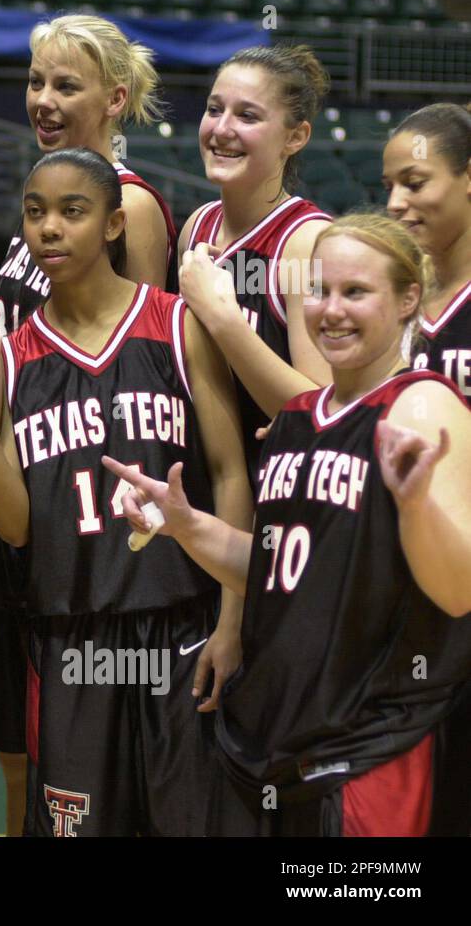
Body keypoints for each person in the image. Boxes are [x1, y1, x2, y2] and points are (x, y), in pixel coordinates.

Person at [109, 213, 471, 836]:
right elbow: (275, 572)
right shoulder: (298, 416)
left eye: (355, 292)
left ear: (408, 298)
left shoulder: (423, 403)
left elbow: (460, 591)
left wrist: (419, 509)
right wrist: (186, 525)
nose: (331, 310)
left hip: (369, 746)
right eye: (318, 291)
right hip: (274, 742)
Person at [0, 148, 250, 836]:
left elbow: (228, 472)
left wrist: (232, 620)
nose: (50, 228)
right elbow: (14, 528)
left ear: (112, 225)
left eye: (72, 212)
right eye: (36, 213)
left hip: (181, 627)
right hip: (71, 637)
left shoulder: (175, 323)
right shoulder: (8, 354)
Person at [0, 13, 179, 835]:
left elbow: (136, 355)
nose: (43, 98)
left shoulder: (125, 205)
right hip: (19, 480)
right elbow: (26, 324)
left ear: (116, 98)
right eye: (35, 82)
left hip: (86, 523)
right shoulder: (49, 203)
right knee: (17, 741)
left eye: (65, 84)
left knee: (69, 756)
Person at [174, 45, 334, 484]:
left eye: (247, 116)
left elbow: (325, 410)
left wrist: (223, 318)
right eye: (214, 109)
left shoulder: (306, 243)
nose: (222, 129)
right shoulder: (197, 227)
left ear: (295, 137)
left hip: (278, 493)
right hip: (198, 484)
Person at [382, 101, 471, 836]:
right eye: (388, 186)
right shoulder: (392, 311)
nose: (395, 203)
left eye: (415, 182)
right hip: (397, 605)